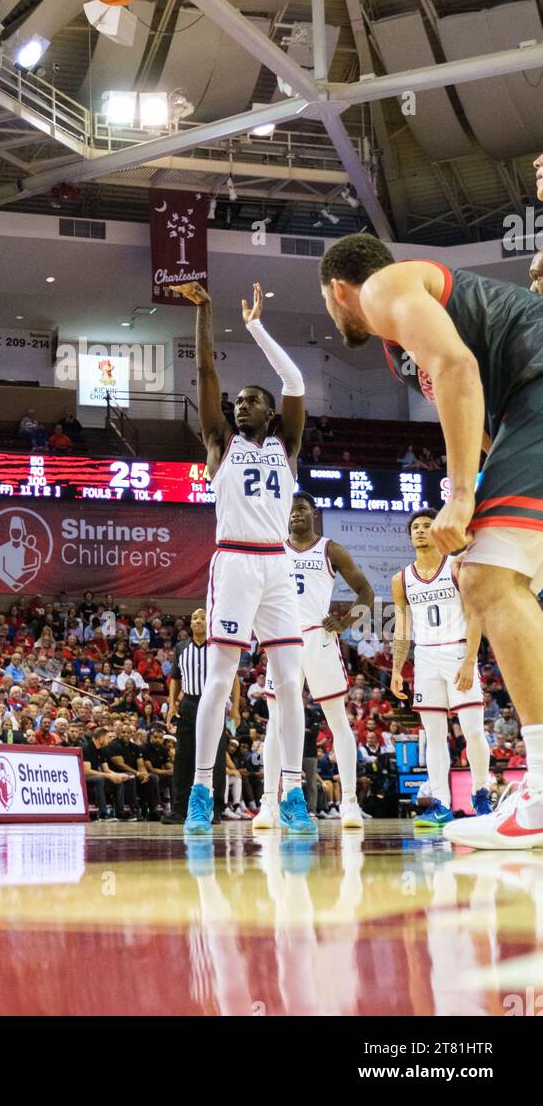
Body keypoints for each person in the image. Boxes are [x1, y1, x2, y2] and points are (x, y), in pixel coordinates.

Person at [320, 229, 543, 850]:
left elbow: (457, 367)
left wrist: (462, 494)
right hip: (524, 414)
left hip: (539, 392)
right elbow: (483, 423)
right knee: (513, 580)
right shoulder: (400, 347)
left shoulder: (385, 286)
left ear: (339, 289)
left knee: (489, 577)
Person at [170, 278, 312, 835]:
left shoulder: (288, 444)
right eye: (239, 401)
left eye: (252, 400)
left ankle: (293, 791)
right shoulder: (217, 441)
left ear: (271, 412)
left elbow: (295, 379)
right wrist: (205, 311)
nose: (240, 404)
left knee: (290, 678)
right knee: (220, 677)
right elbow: (207, 374)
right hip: (232, 562)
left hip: (277, 565)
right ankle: (202, 788)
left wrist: (254, 327)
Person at [255, 492, 374, 830]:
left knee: (337, 719)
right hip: (283, 641)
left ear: (314, 513)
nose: (295, 514)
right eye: (291, 509)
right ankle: (269, 804)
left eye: (302, 508)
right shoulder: (274, 548)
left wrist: (345, 622)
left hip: (319, 638)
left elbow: (366, 592)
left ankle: (349, 801)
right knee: (275, 720)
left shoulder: (331, 549)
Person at [390, 509, 491, 829]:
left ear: (437, 532)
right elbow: (402, 628)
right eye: (415, 527)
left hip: (459, 650)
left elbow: (475, 615)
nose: (420, 531)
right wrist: (396, 669)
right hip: (426, 659)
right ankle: (440, 803)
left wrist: (470, 659)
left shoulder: (457, 566)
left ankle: (481, 794)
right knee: (432, 737)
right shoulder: (401, 579)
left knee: (473, 731)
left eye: (426, 526)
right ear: (410, 536)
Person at [163, 606, 238, 825]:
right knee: (183, 758)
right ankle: (180, 809)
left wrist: (234, 709)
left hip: (214, 703)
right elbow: (175, 679)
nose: (197, 621)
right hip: (188, 704)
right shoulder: (181, 647)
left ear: (210, 621)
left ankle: (214, 809)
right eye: (194, 618)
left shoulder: (218, 647)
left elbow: (233, 678)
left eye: (202, 618)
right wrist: (172, 705)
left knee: (215, 758)